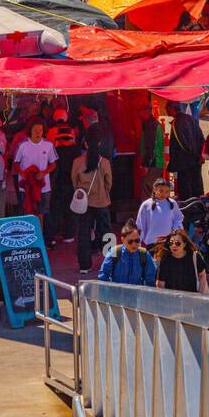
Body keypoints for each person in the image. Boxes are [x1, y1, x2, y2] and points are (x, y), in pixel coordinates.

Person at [71, 131, 113, 275]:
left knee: (83, 233)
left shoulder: (77, 161)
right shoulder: (105, 162)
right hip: (102, 201)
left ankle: (84, 265)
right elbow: (109, 183)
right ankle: (110, 263)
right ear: (100, 144)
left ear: (86, 144)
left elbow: (74, 182)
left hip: (84, 203)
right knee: (106, 232)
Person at [46, 107, 81, 245]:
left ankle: (53, 234)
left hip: (57, 180)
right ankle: (69, 234)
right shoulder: (74, 143)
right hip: (71, 180)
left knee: (55, 208)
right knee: (70, 208)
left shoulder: (51, 136)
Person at [12, 118, 57, 219]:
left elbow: (53, 164)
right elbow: (15, 163)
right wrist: (22, 173)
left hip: (43, 186)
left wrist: (44, 172)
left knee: (41, 214)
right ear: (30, 131)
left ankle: (40, 234)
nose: (38, 133)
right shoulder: (22, 145)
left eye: (40, 130)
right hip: (26, 185)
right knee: (27, 213)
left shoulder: (48, 145)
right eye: (35, 130)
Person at [97, 220, 157, 286]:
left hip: (137, 295)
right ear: (123, 239)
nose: (134, 244)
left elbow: (150, 280)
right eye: (130, 241)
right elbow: (103, 277)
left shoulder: (144, 254)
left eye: (137, 240)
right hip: (117, 294)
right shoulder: (114, 253)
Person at [168, 100, 204, 201]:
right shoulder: (191, 119)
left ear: (171, 109)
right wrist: (200, 154)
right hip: (195, 160)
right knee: (197, 186)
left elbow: (182, 143)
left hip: (185, 162)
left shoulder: (177, 123)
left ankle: (190, 210)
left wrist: (192, 155)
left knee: (186, 189)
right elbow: (201, 137)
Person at [136, 178, 185, 249]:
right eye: (161, 191)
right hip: (151, 242)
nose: (164, 194)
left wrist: (175, 228)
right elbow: (140, 224)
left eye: (167, 191)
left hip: (169, 242)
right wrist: (138, 242)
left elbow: (179, 217)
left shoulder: (172, 203)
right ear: (154, 190)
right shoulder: (146, 205)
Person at [154, 229, 208, 293]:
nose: (173, 246)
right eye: (171, 243)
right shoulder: (165, 260)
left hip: (192, 299)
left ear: (184, 244)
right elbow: (160, 284)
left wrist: (200, 295)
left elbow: (202, 275)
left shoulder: (194, 257)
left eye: (177, 243)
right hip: (172, 299)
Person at [138, 101, 165, 197]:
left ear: (146, 111)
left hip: (154, 163)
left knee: (147, 186)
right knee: (153, 188)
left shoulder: (150, 125)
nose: (138, 113)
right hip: (156, 162)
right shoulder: (151, 124)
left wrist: (145, 165)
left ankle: (148, 210)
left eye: (139, 110)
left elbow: (151, 148)